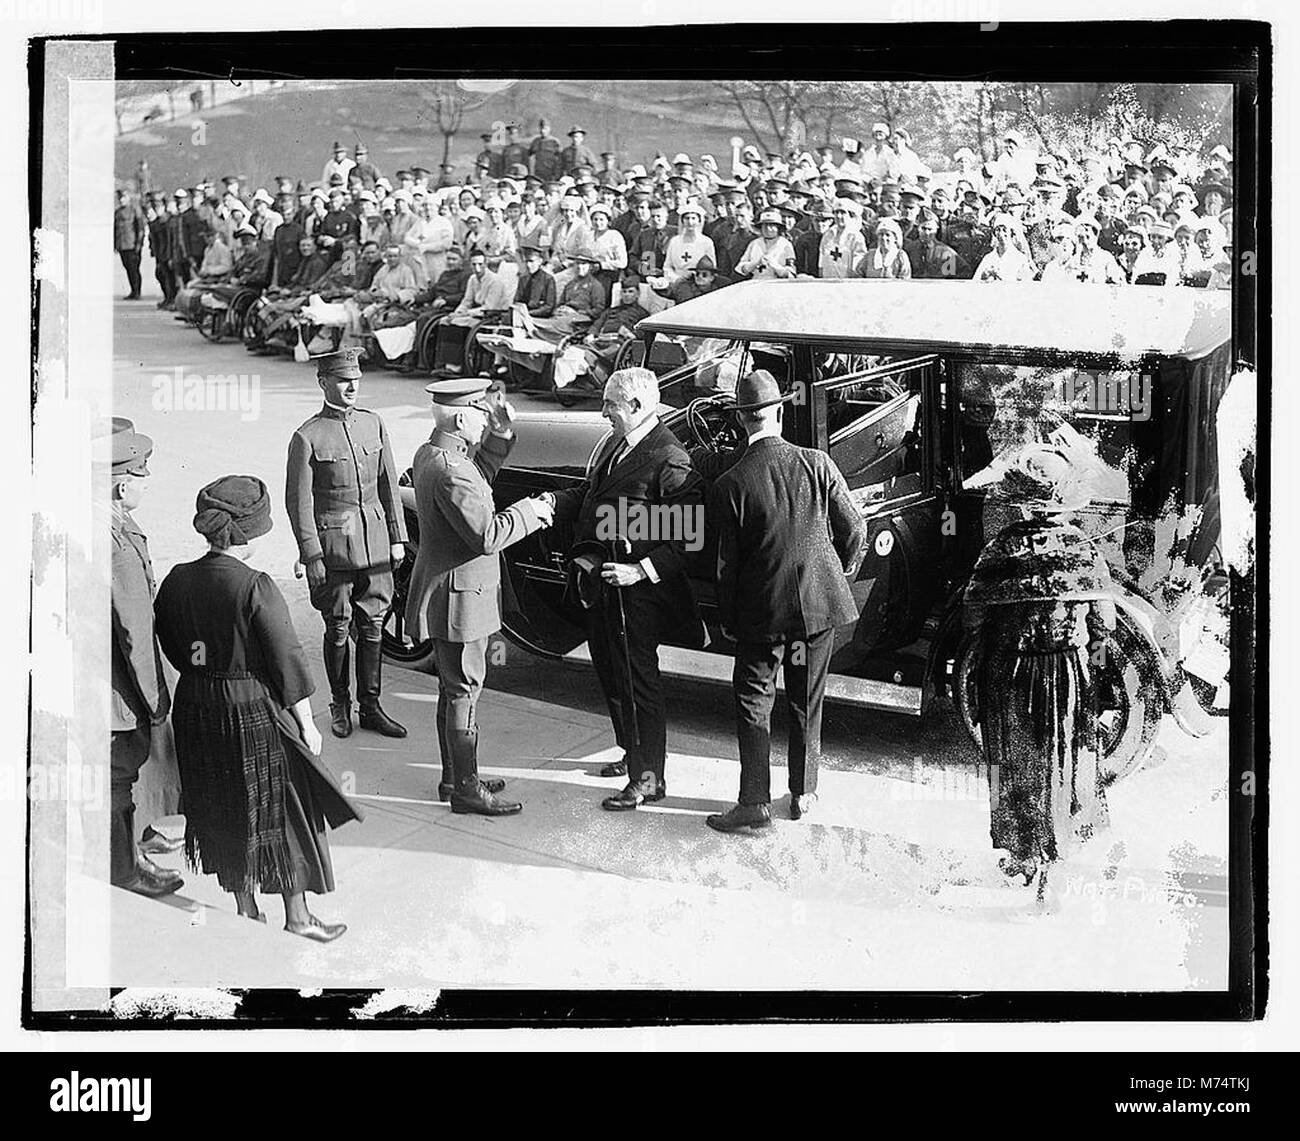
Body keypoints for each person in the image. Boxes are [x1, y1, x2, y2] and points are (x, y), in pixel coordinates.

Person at [155, 475, 362, 940]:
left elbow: (173, 644)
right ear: (245, 534)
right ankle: (299, 918)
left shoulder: (177, 579)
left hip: (196, 706)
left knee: (219, 804)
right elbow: (286, 656)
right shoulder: (255, 586)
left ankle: (246, 907)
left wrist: (205, 674)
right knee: (282, 809)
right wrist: (307, 723)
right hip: (252, 707)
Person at [705, 370, 867, 832]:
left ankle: (754, 802)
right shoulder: (817, 463)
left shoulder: (731, 484)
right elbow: (854, 528)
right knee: (807, 699)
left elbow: (725, 568)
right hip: (821, 607)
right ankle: (804, 793)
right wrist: (839, 572)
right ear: (778, 411)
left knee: (754, 701)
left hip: (761, 614)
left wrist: (729, 620)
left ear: (742, 421)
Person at [542, 367, 705, 808]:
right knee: (611, 673)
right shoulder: (619, 442)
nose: (603, 412)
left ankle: (648, 778)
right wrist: (552, 502)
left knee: (637, 682)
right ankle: (634, 754)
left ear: (636, 407)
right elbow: (596, 499)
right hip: (604, 587)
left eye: (610, 405)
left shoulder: (670, 458)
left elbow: (689, 535)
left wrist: (641, 570)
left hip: (638, 593)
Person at [961, 446, 1115, 908]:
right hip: (1066, 669)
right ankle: (1058, 856)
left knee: (1016, 761)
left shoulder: (1000, 548)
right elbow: (1103, 622)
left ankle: (1024, 854)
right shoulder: (1083, 548)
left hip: (1010, 670)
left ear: (1023, 503)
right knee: (1062, 759)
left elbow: (973, 619)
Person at [405, 378, 555, 814]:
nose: (486, 420)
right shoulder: (452, 470)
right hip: (461, 601)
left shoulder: (435, 454)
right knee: (463, 691)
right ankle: (466, 789)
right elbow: (487, 534)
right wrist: (532, 512)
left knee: (454, 690)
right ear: (459, 417)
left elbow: (478, 481)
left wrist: (501, 436)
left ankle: (455, 778)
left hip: (452, 594)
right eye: (481, 414)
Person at [285, 348, 408, 741]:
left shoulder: (374, 424)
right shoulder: (307, 436)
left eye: (356, 379)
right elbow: (298, 502)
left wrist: (398, 537)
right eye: (342, 380)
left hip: (375, 548)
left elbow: (390, 485)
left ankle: (370, 706)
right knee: (338, 628)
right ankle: (340, 703)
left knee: (373, 627)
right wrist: (312, 555)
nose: (352, 386)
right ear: (323, 383)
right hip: (334, 551)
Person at [104, 420, 183, 897]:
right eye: (140, 474)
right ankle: (124, 871)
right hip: (115, 689)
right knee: (119, 777)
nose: (144, 483)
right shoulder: (117, 543)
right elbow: (135, 631)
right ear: (121, 483)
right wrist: (156, 701)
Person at [735, 209, 797, 279]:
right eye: (764, 225)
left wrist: (775, 266)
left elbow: (791, 273)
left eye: (771, 225)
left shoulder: (785, 244)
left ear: (778, 227)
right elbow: (740, 268)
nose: (768, 229)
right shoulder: (754, 243)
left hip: (778, 284)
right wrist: (755, 263)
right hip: (756, 282)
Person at [114, 189, 147, 300]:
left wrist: (139, 244)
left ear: (128, 198)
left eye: (123, 197)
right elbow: (115, 230)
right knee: (128, 268)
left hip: (132, 245)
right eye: (120, 198)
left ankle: (137, 291)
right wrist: (115, 245)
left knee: (134, 269)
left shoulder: (135, 210)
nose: (121, 200)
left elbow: (140, 228)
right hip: (122, 245)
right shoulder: (118, 212)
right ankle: (133, 291)